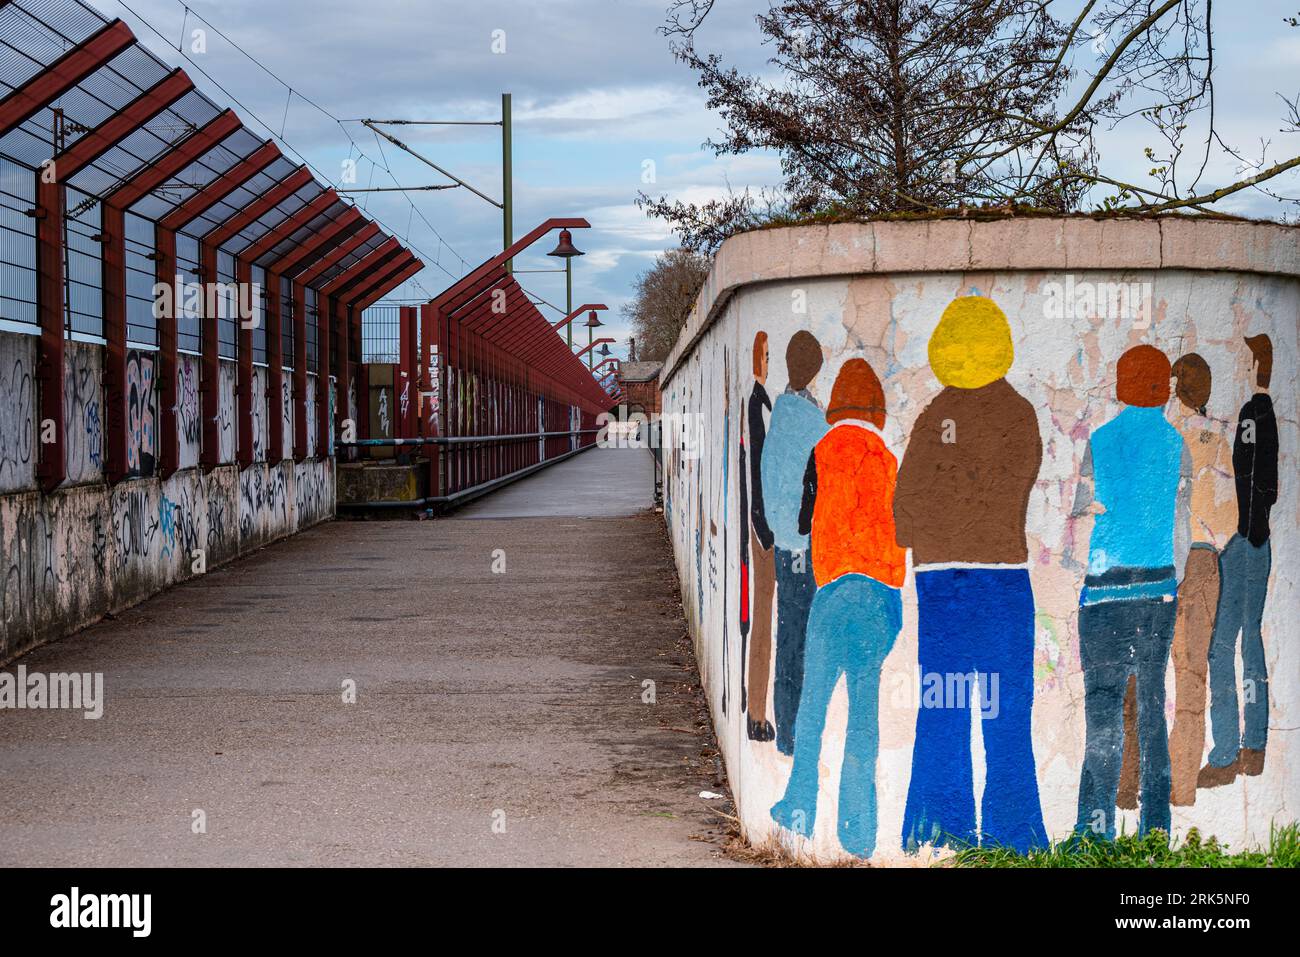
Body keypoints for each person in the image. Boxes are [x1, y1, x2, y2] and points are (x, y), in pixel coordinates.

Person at [895, 295, 1047, 854]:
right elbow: (1018, 487)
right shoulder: (1020, 413)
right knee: (1008, 713)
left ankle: (939, 828)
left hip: (939, 580)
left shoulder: (937, 414)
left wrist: (933, 525)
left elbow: (903, 507)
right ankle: (1016, 837)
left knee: (943, 707)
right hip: (1004, 576)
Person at [770, 359, 906, 857]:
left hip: (831, 597)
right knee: (862, 718)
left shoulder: (820, 452)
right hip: (877, 599)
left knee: (813, 707)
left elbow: (804, 522)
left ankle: (799, 807)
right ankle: (859, 829)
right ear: (877, 408)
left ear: (835, 407)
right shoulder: (887, 458)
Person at [1074, 345, 1189, 840]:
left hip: (1102, 594)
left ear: (1121, 386)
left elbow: (1082, 516)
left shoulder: (1098, 441)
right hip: (1158, 591)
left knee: (1102, 714)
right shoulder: (1176, 443)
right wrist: (1172, 581)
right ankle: (1156, 830)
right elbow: (1181, 529)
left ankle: (1094, 829)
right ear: (1164, 388)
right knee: (1151, 712)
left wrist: (1089, 570)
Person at [1117, 353, 1235, 807]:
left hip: (1153, 561)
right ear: (1203, 391)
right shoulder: (1218, 437)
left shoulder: (1156, 437)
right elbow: (1231, 517)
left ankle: (1130, 787)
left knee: (1139, 674)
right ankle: (1181, 788)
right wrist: (1205, 537)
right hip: (1202, 561)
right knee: (1191, 679)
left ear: (1171, 386)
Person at [1200, 334, 1278, 787]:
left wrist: (1240, 533)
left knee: (1223, 646)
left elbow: (1255, 482)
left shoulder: (1253, 414)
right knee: (1249, 644)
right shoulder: (1262, 415)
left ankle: (1228, 752)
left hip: (1245, 545)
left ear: (1253, 366)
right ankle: (1254, 748)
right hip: (1258, 542)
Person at [759, 331, 827, 755]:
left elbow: (772, 480)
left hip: (785, 546)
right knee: (805, 642)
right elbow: (816, 486)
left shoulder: (779, 414)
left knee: (791, 639)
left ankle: (789, 731)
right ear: (814, 369)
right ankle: (796, 733)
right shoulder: (810, 420)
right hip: (804, 546)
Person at [740, 331, 776, 742]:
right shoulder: (759, 404)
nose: (767, 361)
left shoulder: (759, 403)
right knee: (763, 620)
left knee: (763, 618)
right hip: (764, 528)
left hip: (760, 522)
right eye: (765, 355)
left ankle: (758, 711)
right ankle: (758, 716)